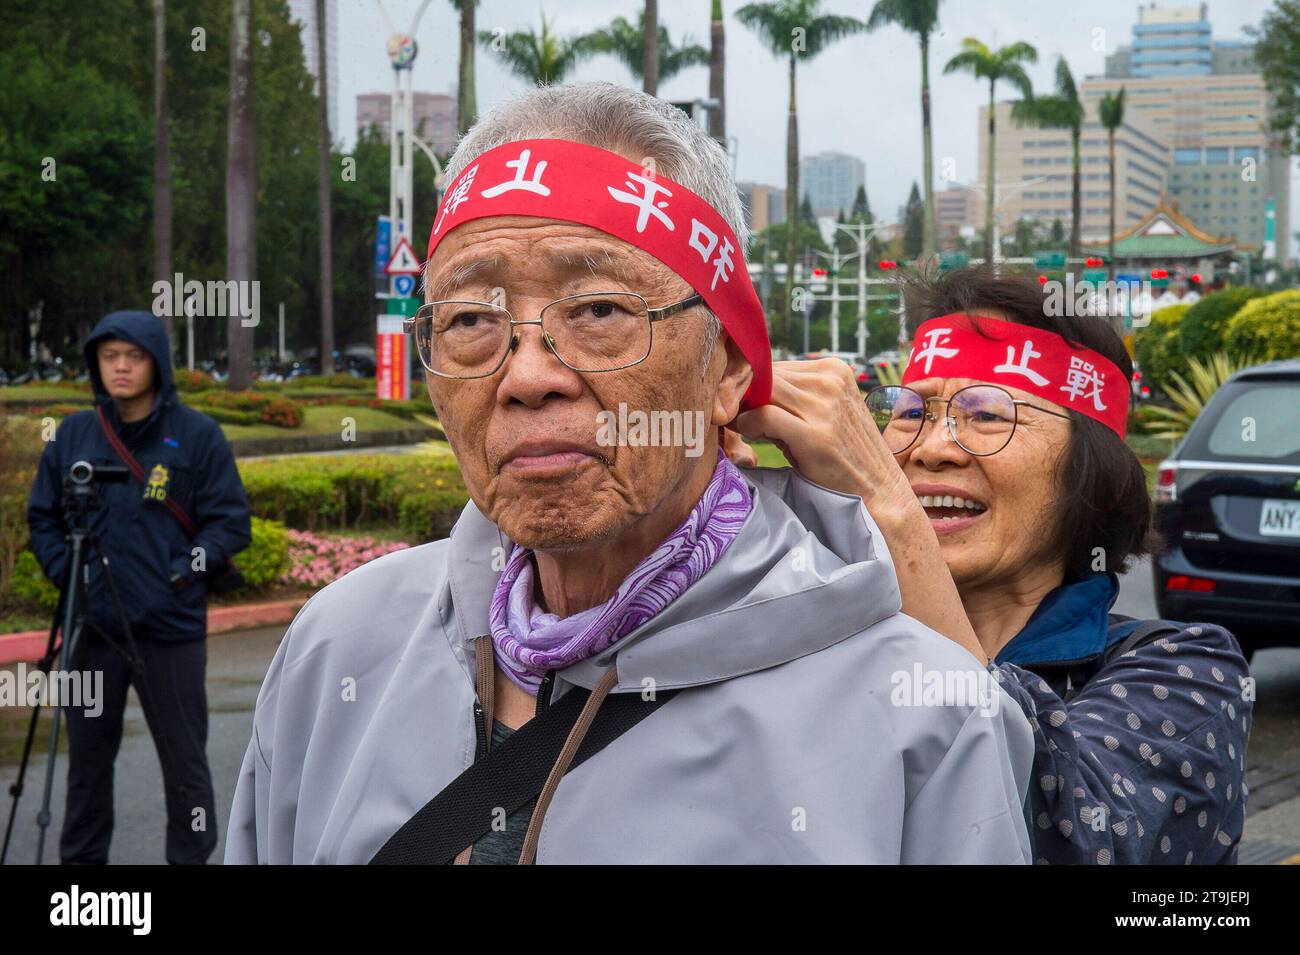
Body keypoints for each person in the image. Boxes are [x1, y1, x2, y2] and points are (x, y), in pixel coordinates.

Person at [225, 82, 1034, 865]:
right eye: (472, 320)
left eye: (599, 311)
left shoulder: (915, 714)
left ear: (725, 370)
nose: (526, 374)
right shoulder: (336, 649)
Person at [726, 267, 1253, 864]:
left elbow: (1070, 834)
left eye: (986, 415)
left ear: (1091, 471)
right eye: (909, 412)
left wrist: (885, 505)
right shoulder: (817, 631)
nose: (930, 447)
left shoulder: (1186, 671)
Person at [27, 310, 252, 864]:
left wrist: (184, 571)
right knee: (85, 770)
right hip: (93, 628)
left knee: (185, 771)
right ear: (95, 364)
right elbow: (44, 518)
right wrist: (68, 571)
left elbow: (230, 523)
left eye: (134, 356)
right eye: (110, 357)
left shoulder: (197, 435)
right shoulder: (74, 434)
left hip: (169, 631)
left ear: (156, 363)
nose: (121, 368)